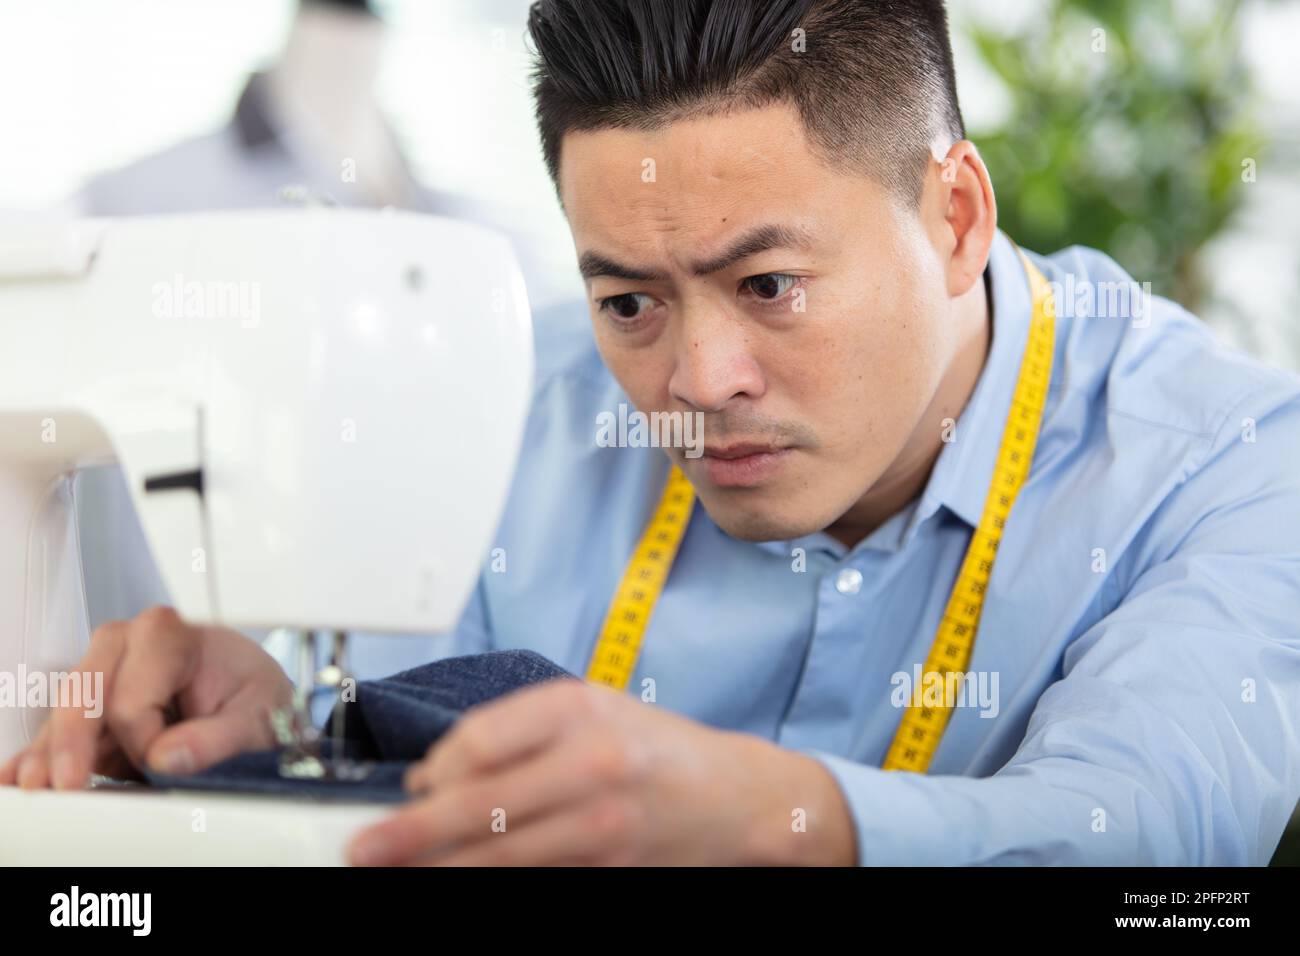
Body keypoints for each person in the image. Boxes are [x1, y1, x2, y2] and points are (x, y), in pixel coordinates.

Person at [4, 0, 1299, 867]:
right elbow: (404, 731)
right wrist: (295, 729)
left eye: (768, 287)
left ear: (956, 218)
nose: (696, 377)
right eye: (627, 299)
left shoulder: (1233, 465)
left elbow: (1150, 832)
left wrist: (777, 820)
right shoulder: (523, 397)